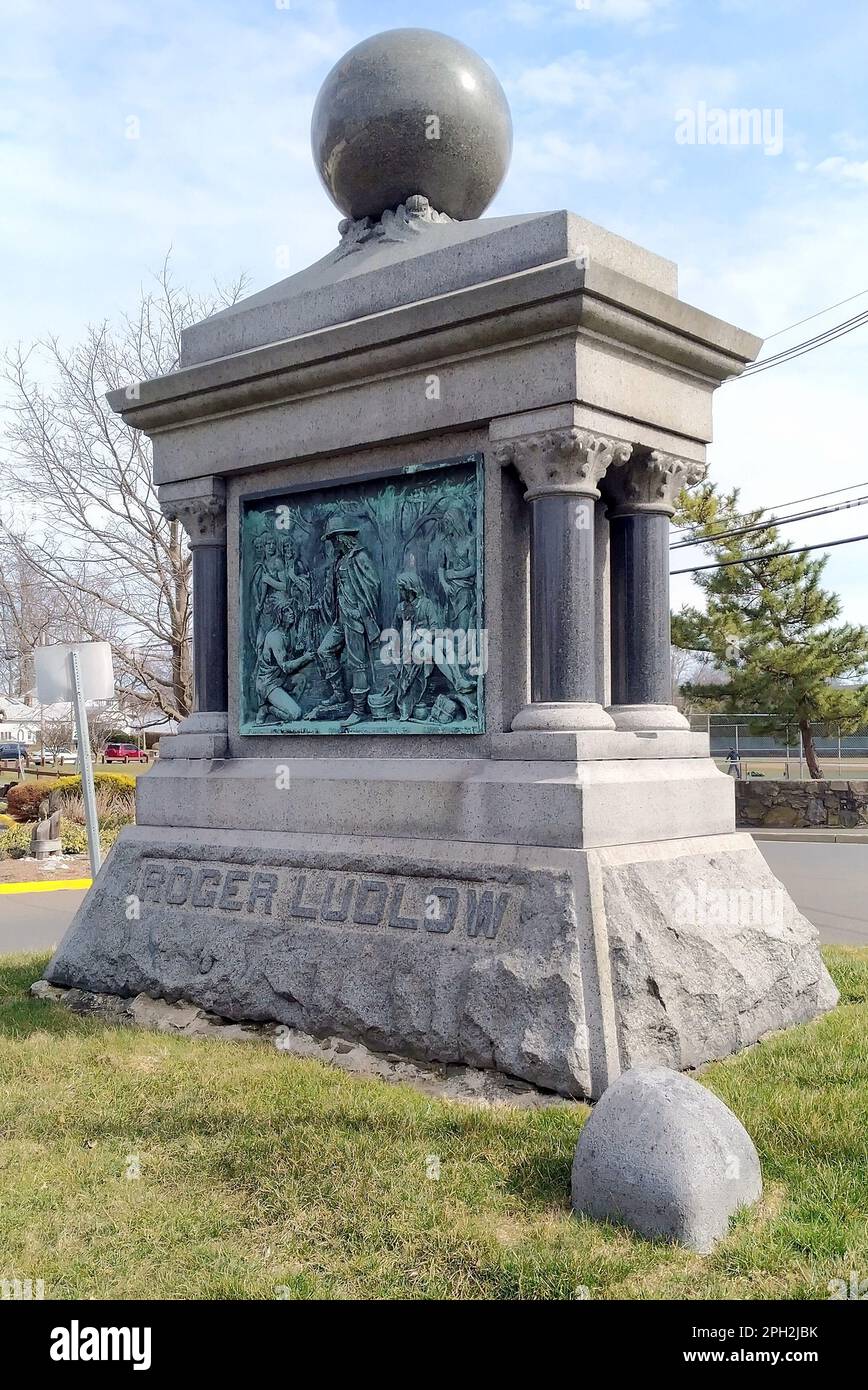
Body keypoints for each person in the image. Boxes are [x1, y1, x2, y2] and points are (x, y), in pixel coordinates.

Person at [309, 516, 381, 726]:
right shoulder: (340, 560)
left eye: (333, 539)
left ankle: (359, 710)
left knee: (357, 664)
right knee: (325, 650)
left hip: (355, 618)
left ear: (342, 538)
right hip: (341, 619)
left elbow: (374, 583)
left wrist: (362, 610)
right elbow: (332, 591)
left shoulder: (359, 557)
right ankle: (340, 694)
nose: (332, 544)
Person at [253, 601, 316, 723]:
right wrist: (305, 658)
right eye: (286, 610)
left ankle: (284, 707)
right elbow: (286, 667)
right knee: (296, 714)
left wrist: (298, 651)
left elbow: (286, 659)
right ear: (279, 615)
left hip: (280, 679)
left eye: (291, 610)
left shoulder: (288, 633)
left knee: (301, 679)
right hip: (268, 684)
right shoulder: (275, 637)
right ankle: (267, 709)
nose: (291, 612)